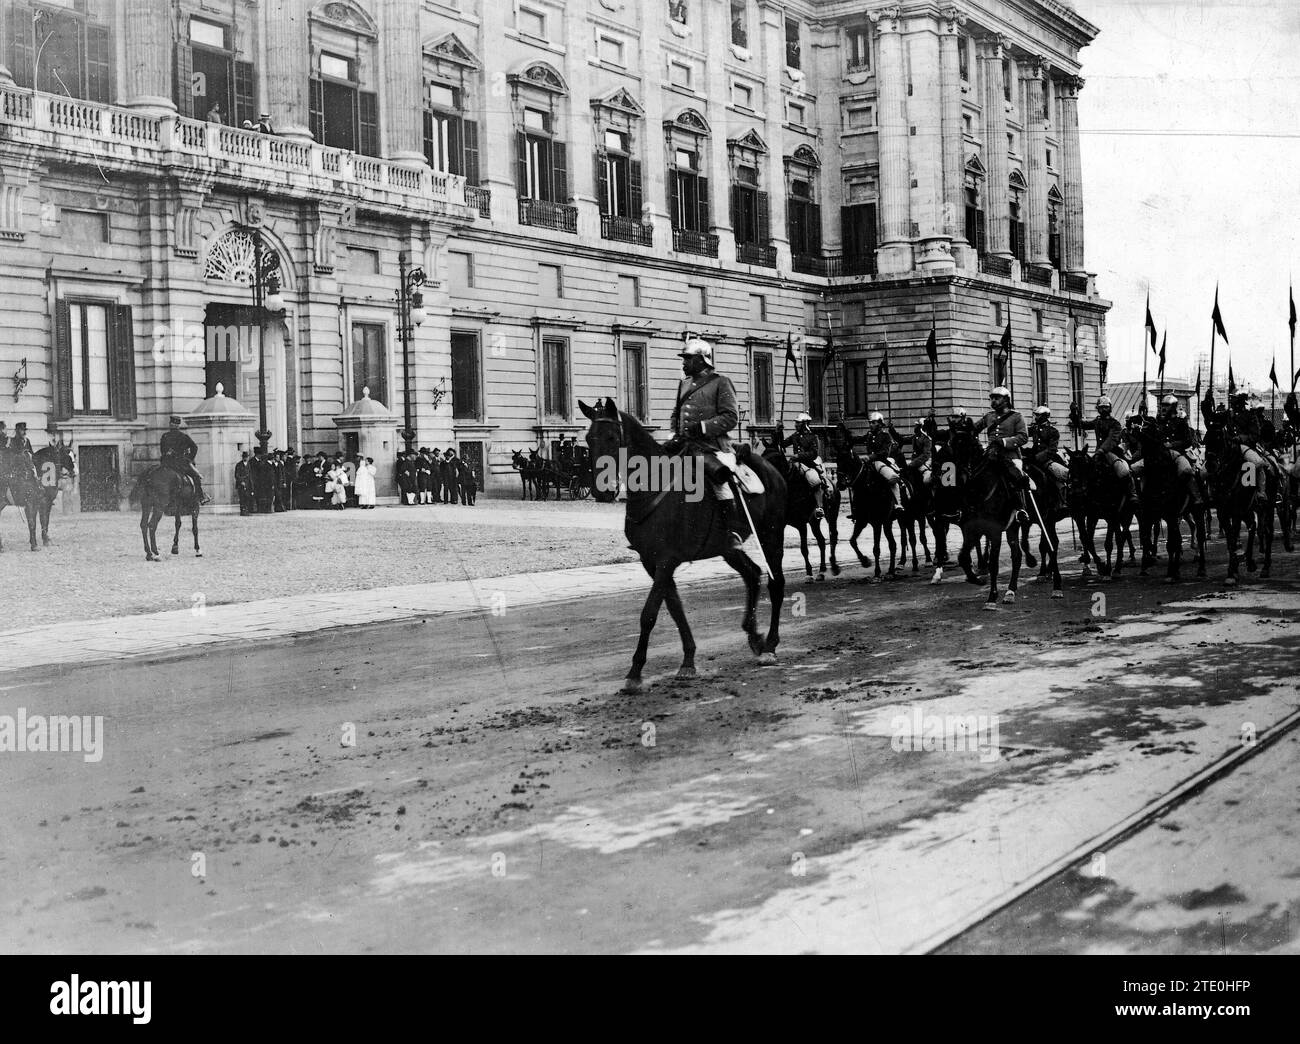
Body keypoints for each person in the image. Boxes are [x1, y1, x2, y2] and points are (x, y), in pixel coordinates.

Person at [664, 337, 758, 554]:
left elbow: (730, 417)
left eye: (688, 358)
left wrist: (704, 427)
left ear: (701, 360)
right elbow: (676, 414)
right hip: (686, 446)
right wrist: (673, 434)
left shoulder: (721, 382)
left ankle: (731, 531)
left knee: (720, 481)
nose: (683, 363)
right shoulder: (684, 384)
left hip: (713, 446)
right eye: (684, 359)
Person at [1069, 394, 1135, 511]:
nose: (1103, 409)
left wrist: (1101, 450)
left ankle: (1132, 494)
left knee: (1124, 471)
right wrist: (1075, 414)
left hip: (1112, 453)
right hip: (1099, 453)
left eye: (1106, 407)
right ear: (1098, 409)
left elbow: (1112, 439)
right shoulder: (1097, 421)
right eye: (1101, 407)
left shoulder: (1115, 423)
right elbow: (1083, 425)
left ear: (1110, 408)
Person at [980, 386, 1030, 524]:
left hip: (1010, 455)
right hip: (990, 455)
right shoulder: (989, 416)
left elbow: (1023, 437)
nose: (993, 401)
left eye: (997, 398)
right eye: (992, 398)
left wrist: (1003, 441)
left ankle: (1021, 509)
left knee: (1016, 477)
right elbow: (972, 430)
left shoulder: (1016, 416)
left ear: (1006, 400)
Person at [780, 412, 827, 518]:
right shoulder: (795, 436)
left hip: (808, 463)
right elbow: (782, 444)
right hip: (795, 463)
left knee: (814, 480)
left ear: (805, 424)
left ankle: (819, 507)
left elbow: (814, 453)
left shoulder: (812, 436)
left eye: (798, 423)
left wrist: (799, 456)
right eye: (796, 423)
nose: (796, 425)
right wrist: (779, 431)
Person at [861, 411, 906, 517]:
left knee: (892, 478)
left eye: (873, 423)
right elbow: (855, 439)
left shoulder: (885, 436)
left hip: (880, 462)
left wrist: (871, 457)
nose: (871, 425)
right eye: (870, 423)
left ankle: (898, 503)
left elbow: (884, 452)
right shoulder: (869, 435)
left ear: (880, 424)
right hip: (869, 464)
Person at [159, 415, 210, 504]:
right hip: (180, 464)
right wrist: (189, 459)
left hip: (167, 463)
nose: (172, 425)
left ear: (175, 425)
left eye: (173, 424)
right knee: (195, 476)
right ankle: (201, 497)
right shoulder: (183, 436)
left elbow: (162, 450)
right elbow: (194, 447)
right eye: (172, 423)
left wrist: (166, 454)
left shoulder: (165, 436)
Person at [1029, 405, 1070, 485]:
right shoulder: (1034, 429)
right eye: (1036, 415)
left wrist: (1037, 457)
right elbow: (1023, 434)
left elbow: (1052, 449)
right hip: (1033, 459)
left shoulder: (1053, 431)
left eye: (1038, 415)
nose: (1036, 418)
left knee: (1059, 479)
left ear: (1044, 416)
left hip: (1047, 460)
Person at [911, 418, 933, 486]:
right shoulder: (915, 437)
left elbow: (926, 455)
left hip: (924, 462)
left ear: (921, 426)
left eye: (917, 425)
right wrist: (892, 430)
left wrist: (914, 463)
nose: (915, 427)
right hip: (916, 461)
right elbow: (902, 439)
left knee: (925, 479)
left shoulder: (926, 439)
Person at [234, 451, 253, 515]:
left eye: (247, 457)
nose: (246, 458)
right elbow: (237, 475)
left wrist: (251, 485)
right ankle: (242, 510)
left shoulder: (249, 465)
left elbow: (250, 475)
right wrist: (241, 481)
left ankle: (247, 510)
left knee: (247, 497)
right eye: (244, 457)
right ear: (242, 457)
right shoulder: (238, 465)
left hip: (248, 484)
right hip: (241, 485)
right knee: (242, 498)